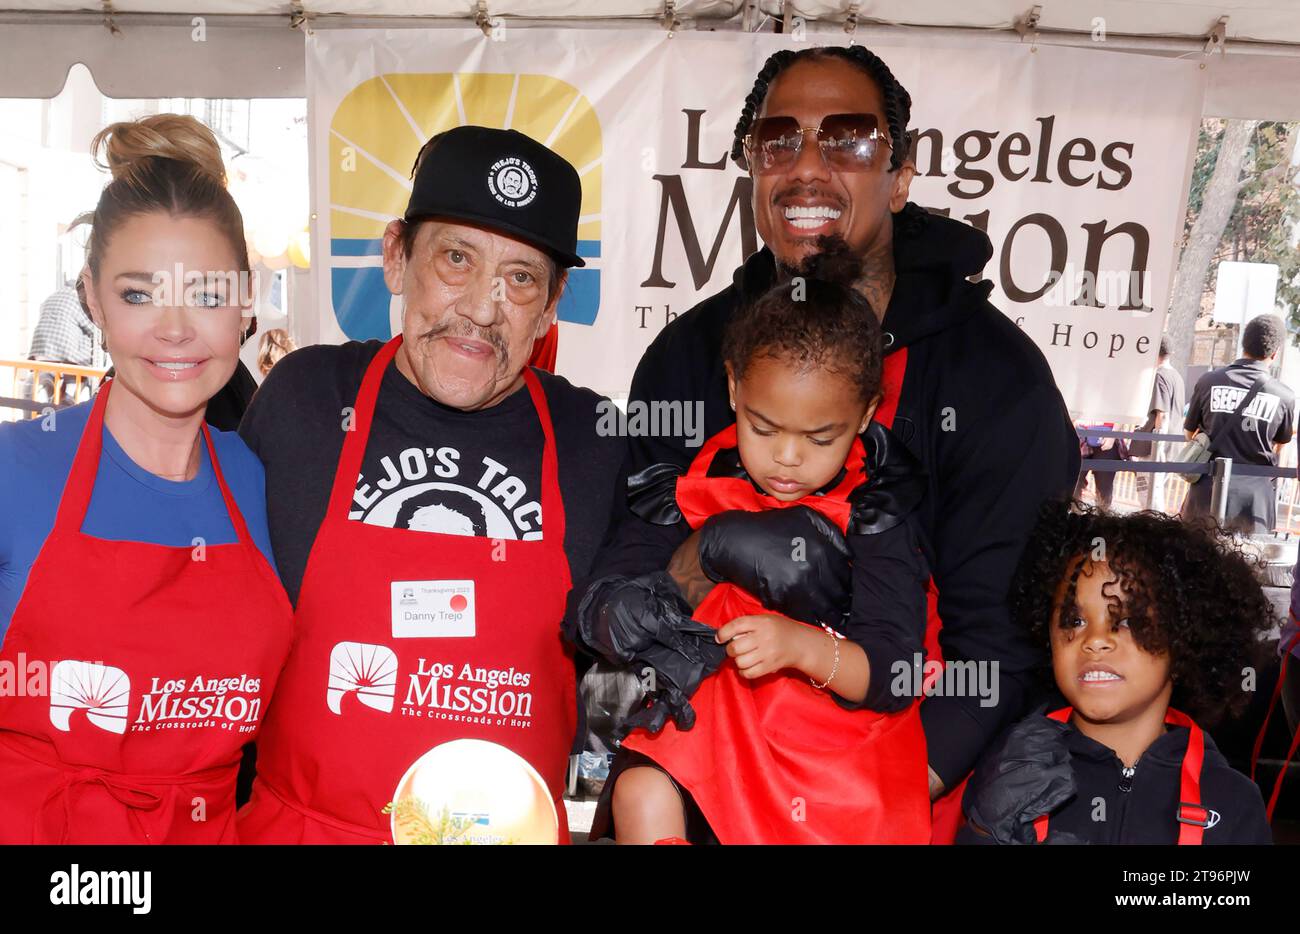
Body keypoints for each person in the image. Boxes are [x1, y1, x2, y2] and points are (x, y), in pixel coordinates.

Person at [567, 43, 1079, 841]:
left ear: (901, 174)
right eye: (779, 140)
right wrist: (693, 565)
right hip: (706, 775)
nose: (807, 165)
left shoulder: (995, 379)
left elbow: (1002, 648)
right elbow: (623, 586)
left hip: (885, 788)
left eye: (848, 139)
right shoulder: (688, 354)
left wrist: (849, 803)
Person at [235, 126, 623, 844]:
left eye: (521, 278)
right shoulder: (307, 400)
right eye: (455, 258)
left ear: (551, 304)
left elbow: (616, 682)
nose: (482, 307)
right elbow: (222, 627)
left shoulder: (593, 436)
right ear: (394, 256)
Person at [0, 114, 292, 844]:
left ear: (246, 300)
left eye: (206, 294)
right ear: (91, 298)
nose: (173, 329)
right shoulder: (15, 471)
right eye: (138, 295)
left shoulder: (268, 484)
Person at [574, 248, 931, 844]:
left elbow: (896, 674)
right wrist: (632, 609)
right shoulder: (693, 480)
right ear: (735, 387)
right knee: (637, 791)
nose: (787, 457)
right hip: (709, 734)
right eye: (764, 429)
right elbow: (597, 608)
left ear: (867, 413)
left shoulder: (879, 512)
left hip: (832, 759)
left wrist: (801, 646)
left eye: (821, 438)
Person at [959, 503, 1273, 844]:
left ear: (1183, 637)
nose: (1094, 641)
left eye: (1125, 620)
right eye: (1073, 621)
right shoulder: (1010, 772)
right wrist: (981, 833)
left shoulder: (1233, 801)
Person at [1182, 314, 1295, 533]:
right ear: (1275, 352)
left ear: (1243, 344)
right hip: (1254, 501)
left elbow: (1189, 433)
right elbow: (1281, 445)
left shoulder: (1208, 381)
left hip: (1206, 489)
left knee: (1194, 559)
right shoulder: (1284, 396)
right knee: (1249, 562)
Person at [25, 282, 103, 404]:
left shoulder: (53, 296)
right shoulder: (78, 300)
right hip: (66, 352)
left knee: (46, 374)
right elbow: (93, 328)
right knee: (81, 375)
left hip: (41, 349)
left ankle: (55, 393)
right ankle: (69, 401)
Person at [1133, 336, 1185, 512]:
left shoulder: (1159, 376)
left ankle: (1152, 528)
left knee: (1148, 495)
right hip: (1171, 446)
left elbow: (1161, 415)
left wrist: (1158, 446)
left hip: (1154, 448)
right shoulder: (1176, 376)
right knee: (1155, 493)